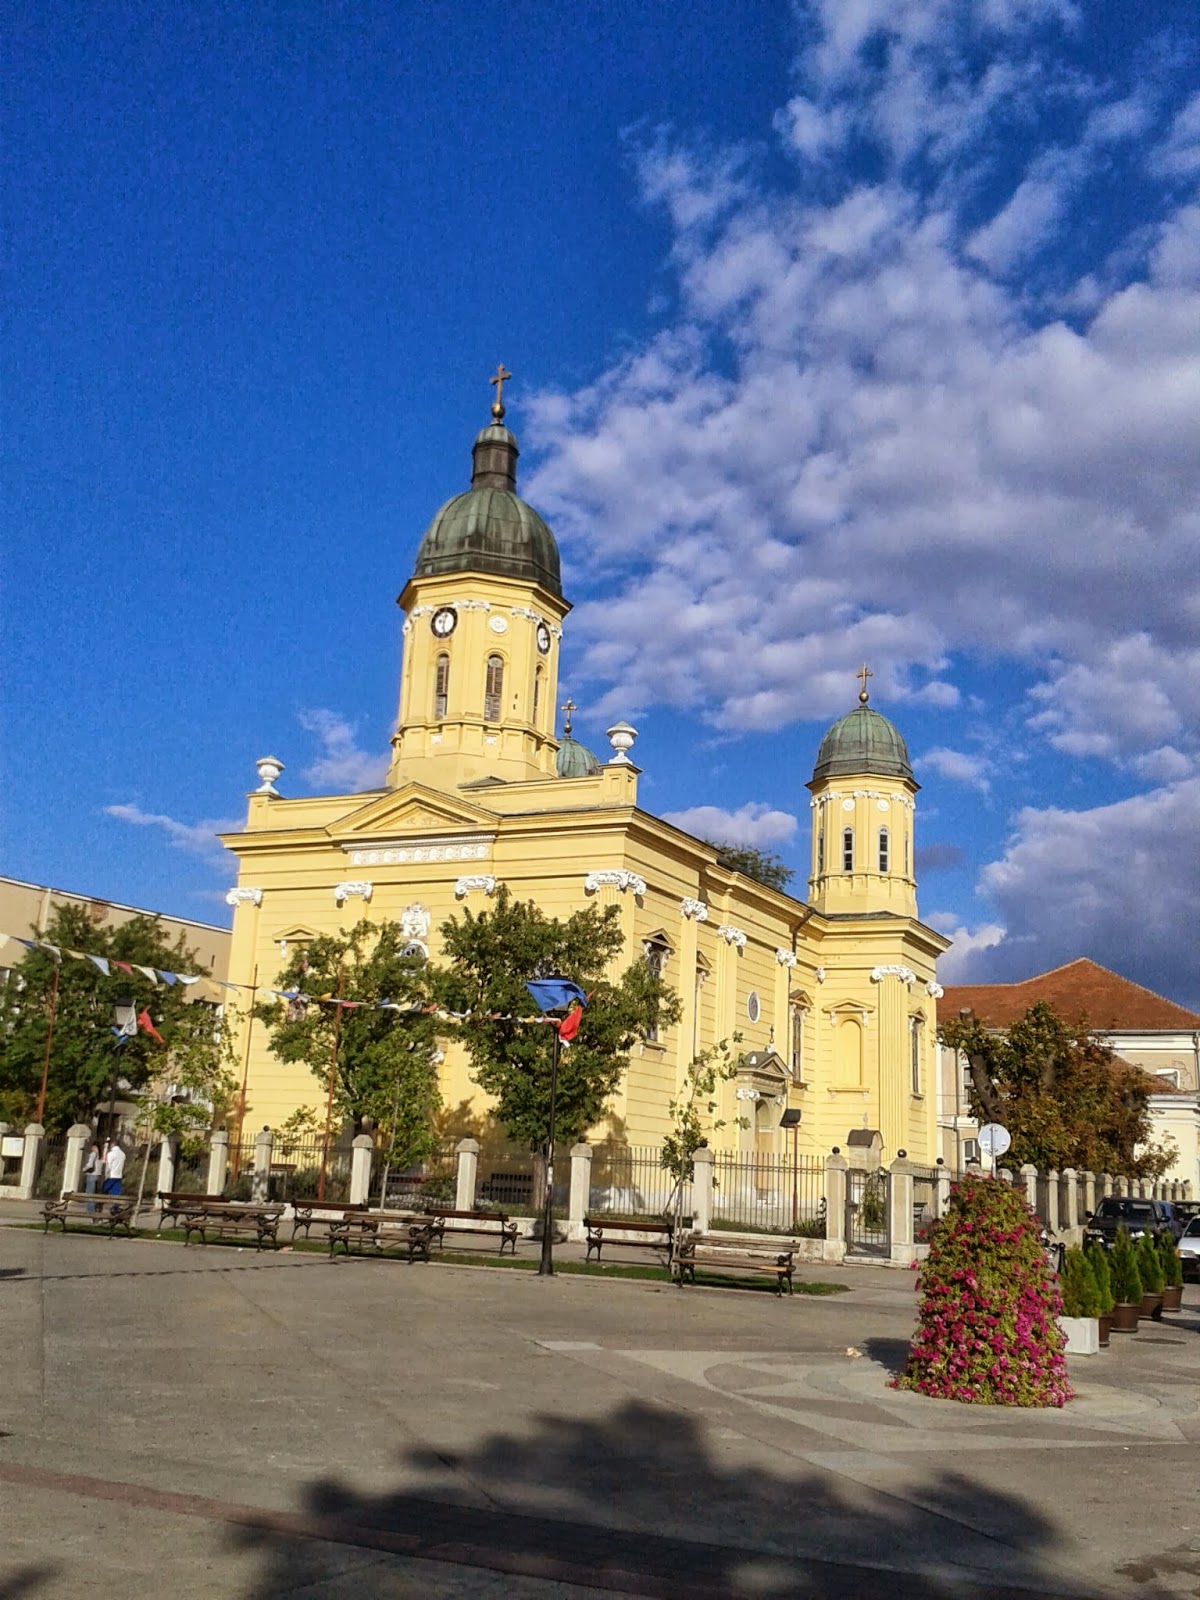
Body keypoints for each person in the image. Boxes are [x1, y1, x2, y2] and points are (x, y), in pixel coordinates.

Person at [83, 1141, 102, 1212]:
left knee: (89, 1193)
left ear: (94, 1146)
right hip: (98, 1175)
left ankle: (90, 1210)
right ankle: (95, 1208)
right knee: (95, 1193)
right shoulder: (100, 1155)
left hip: (91, 1175)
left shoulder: (93, 1154)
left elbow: (90, 1165)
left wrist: (84, 1169)